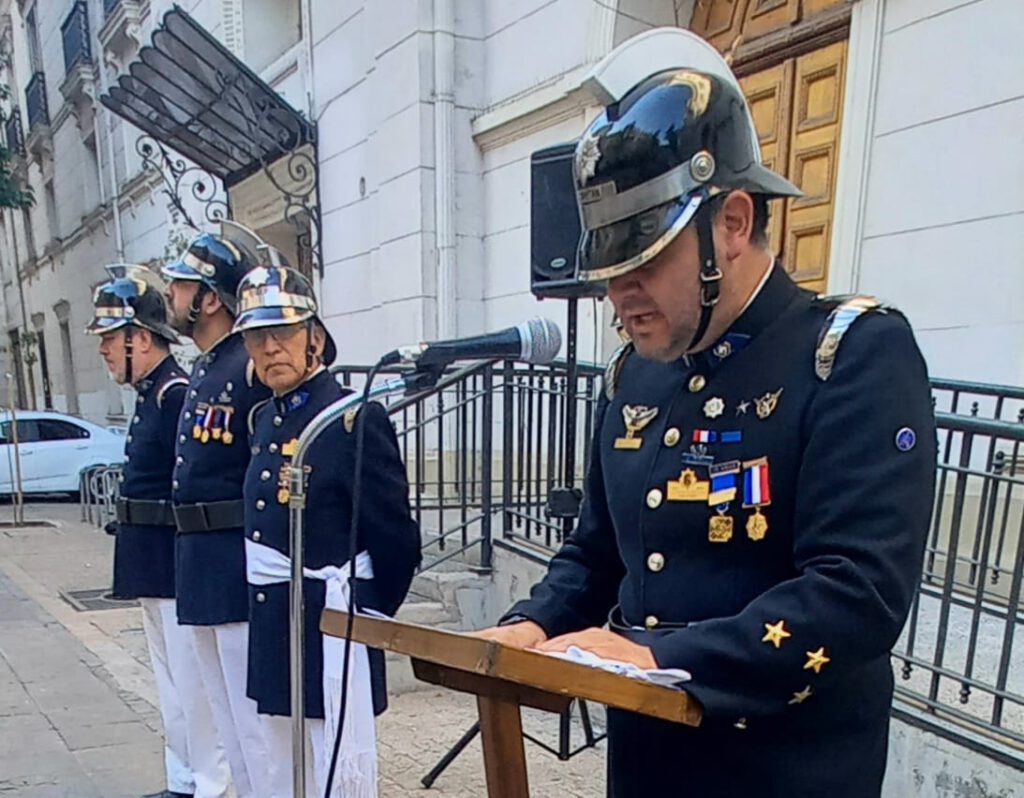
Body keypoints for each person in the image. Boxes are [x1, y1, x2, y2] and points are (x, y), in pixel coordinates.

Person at [478, 37, 937, 797]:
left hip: (787, 773)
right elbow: (597, 555)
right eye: (609, 271)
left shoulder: (849, 356)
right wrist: (532, 626)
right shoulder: (638, 376)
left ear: (731, 220)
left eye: (644, 260)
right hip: (652, 768)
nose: (620, 294)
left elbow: (857, 592)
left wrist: (662, 657)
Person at [234, 263, 420, 797]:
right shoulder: (264, 420)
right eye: (255, 337)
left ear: (315, 337)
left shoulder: (350, 419)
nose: (270, 348)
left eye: (282, 333)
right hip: (276, 624)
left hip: (330, 623)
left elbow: (395, 538)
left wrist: (365, 614)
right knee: (279, 764)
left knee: (333, 767)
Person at [86, 264, 231, 798]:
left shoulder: (175, 394)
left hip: (174, 558)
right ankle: (183, 778)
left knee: (193, 686)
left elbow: (188, 482)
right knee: (170, 685)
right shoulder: (154, 393)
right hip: (149, 557)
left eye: (109, 339)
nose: (102, 351)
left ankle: (209, 784)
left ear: (140, 338)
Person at [162, 227, 272, 798]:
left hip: (233, 561)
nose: (171, 296)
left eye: (181, 285)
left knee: (251, 722)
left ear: (208, 298)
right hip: (199, 561)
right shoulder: (206, 366)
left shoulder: (247, 364)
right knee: (223, 719)